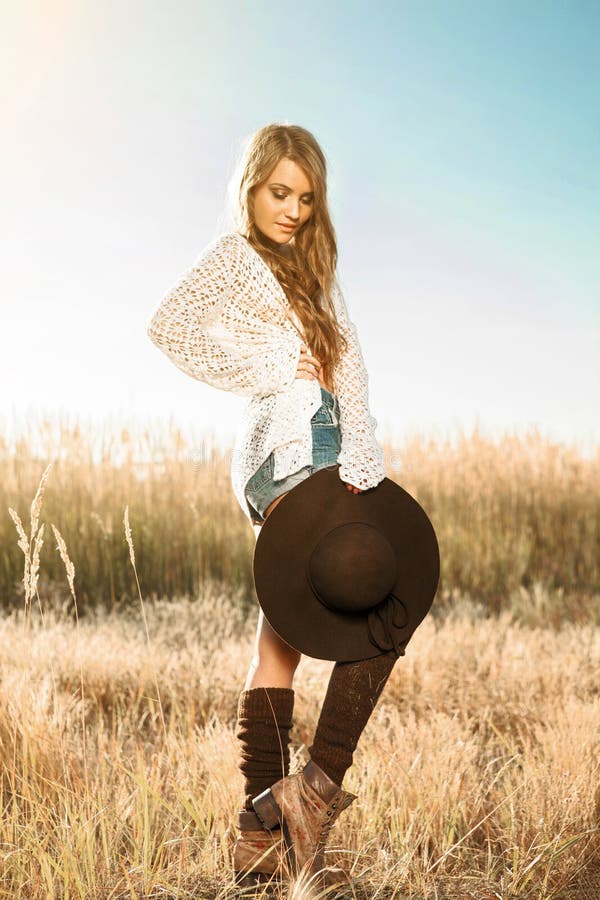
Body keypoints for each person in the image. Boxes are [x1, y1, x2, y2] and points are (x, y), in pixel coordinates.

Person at [146, 123, 400, 890]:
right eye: (278, 192)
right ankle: (313, 797)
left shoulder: (319, 270)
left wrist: (364, 452)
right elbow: (169, 329)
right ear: (251, 187)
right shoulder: (235, 257)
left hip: (329, 451)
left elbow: (349, 369)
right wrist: (266, 364)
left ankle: (262, 836)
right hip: (284, 453)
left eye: (305, 197)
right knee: (386, 599)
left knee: (279, 648)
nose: (291, 209)